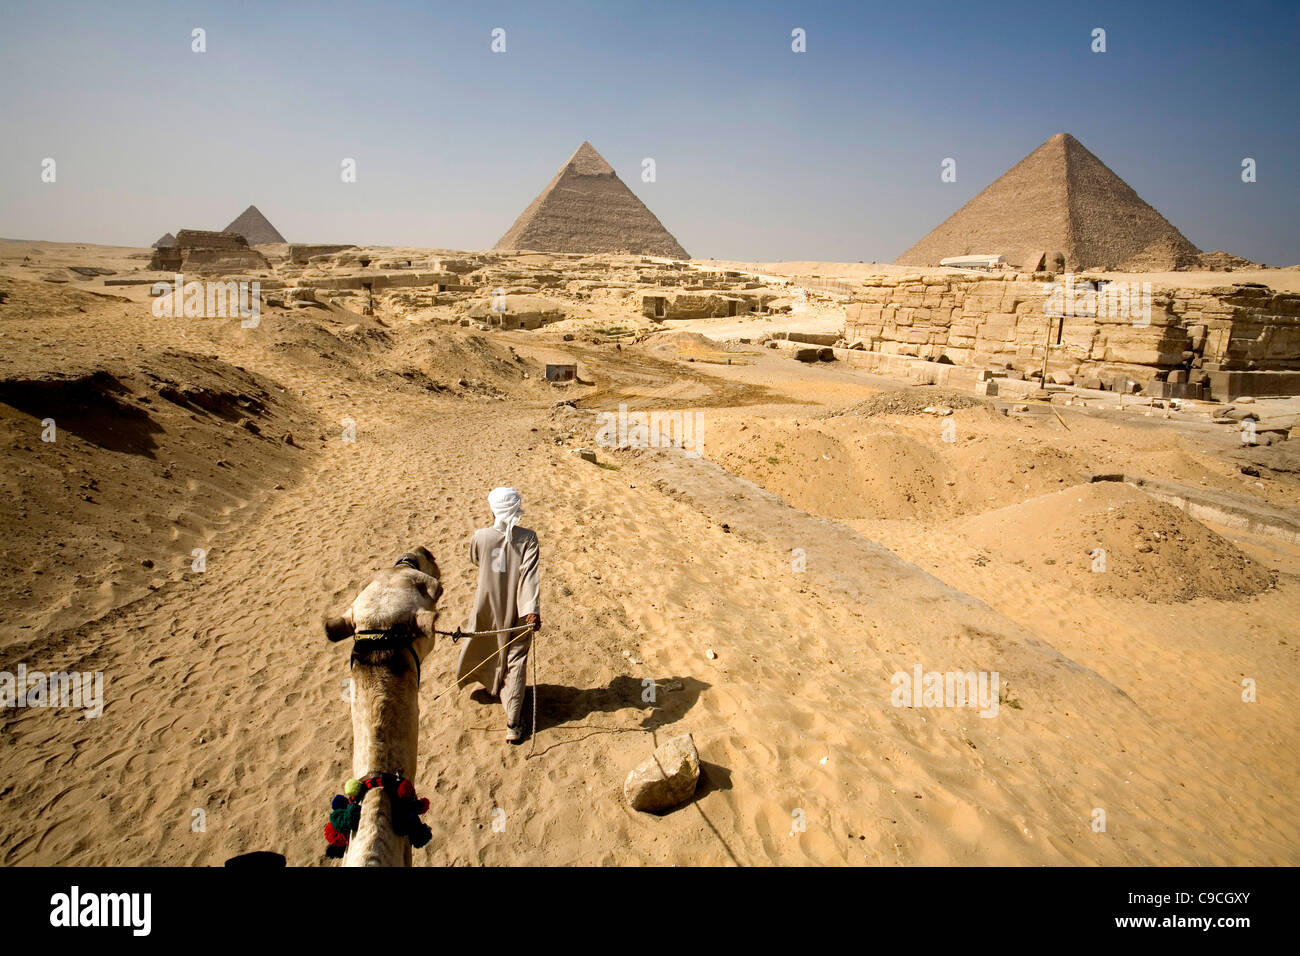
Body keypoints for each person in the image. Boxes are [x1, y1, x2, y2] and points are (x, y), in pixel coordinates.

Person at [455, 487, 541, 743]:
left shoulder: (480, 536)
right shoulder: (529, 538)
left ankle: (492, 688)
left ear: (493, 509)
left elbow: (476, 560)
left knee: (486, 646)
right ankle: (513, 723)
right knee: (515, 661)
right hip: (517, 611)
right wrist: (531, 610)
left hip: (487, 608)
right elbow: (529, 577)